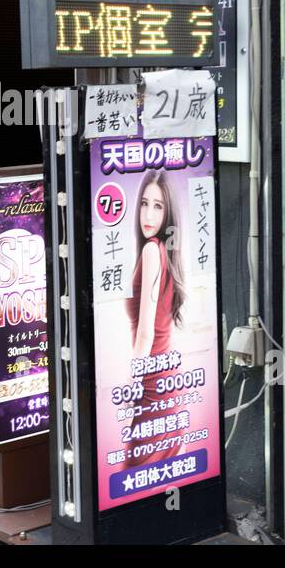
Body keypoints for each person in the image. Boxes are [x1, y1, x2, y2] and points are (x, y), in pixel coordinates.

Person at [124, 170, 187, 469]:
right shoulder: (165, 252)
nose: (148, 214)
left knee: (134, 476)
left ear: (168, 212)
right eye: (144, 203)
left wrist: (130, 387)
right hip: (167, 381)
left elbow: (146, 333)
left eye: (158, 206)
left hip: (152, 384)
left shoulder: (152, 250)